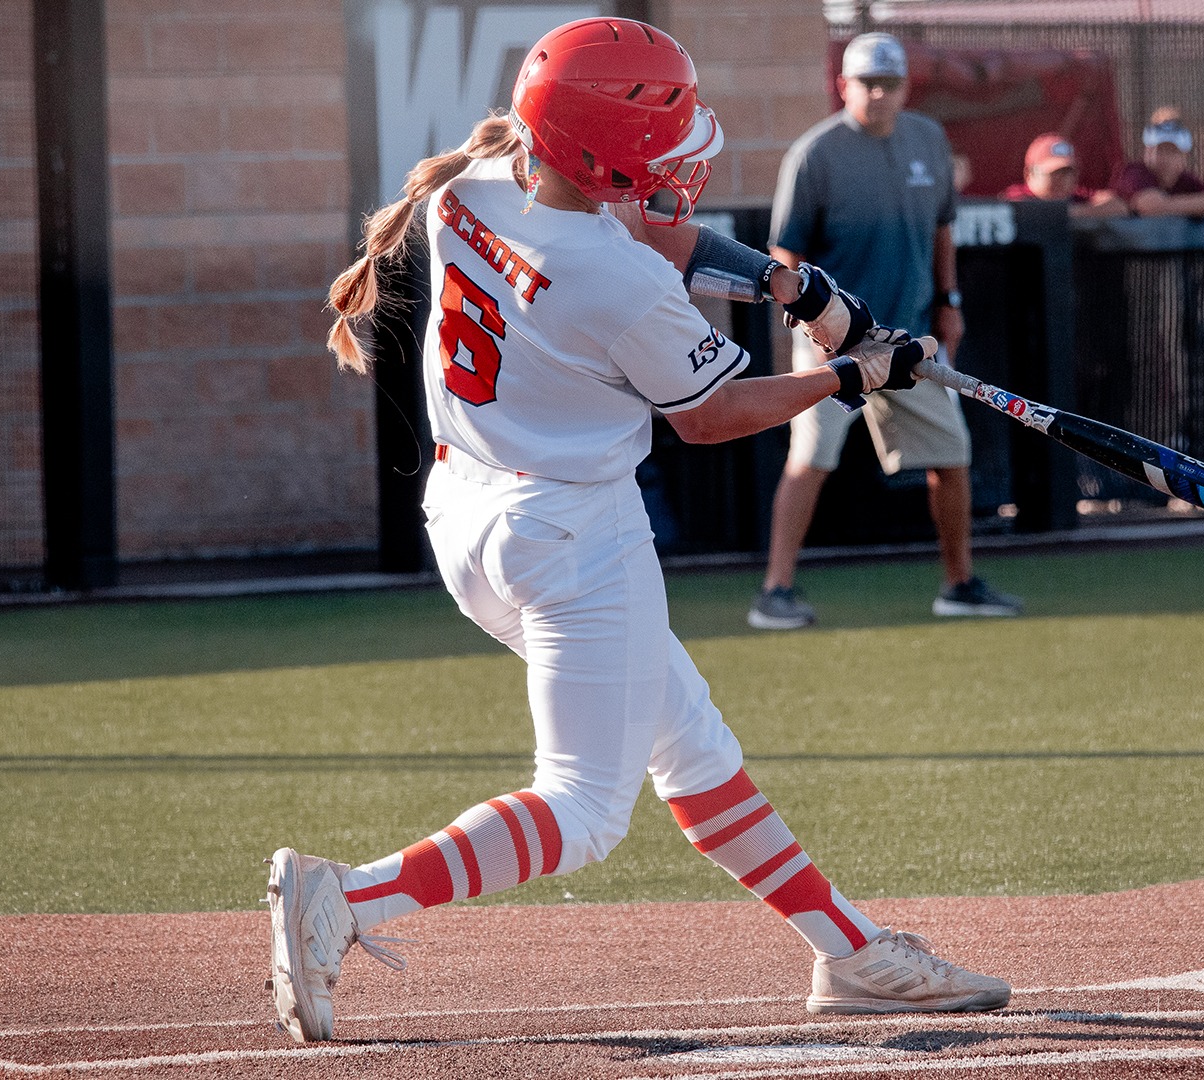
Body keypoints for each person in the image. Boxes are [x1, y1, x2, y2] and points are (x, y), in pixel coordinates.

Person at [264, 17, 1009, 1045]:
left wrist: (791, 286)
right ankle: (343, 899)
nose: (677, 155)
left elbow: (644, 227)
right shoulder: (617, 283)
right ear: (604, 151)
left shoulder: (471, 190)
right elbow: (714, 413)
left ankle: (852, 952)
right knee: (582, 812)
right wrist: (852, 374)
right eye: (653, 139)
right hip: (574, 536)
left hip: (473, 515)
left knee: (692, 742)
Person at [748, 31, 1023, 631]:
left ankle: (959, 585)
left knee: (952, 458)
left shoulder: (927, 138)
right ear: (843, 86)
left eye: (891, 83)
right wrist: (816, 321)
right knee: (810, 458)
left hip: (909, 340)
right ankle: (775, 591)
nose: (880, 94)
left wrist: (950, 299)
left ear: (905, 88)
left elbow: (943, 229)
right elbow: (784, 254)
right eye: (868, 83)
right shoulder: (815, 154)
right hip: (833, 339)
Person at [1109, 108, 1204, 218]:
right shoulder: (1135, 172)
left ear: (1184, 158)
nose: (1162, 158)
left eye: (1171, 151)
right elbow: (1153, 207)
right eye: (1157, 150)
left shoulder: (1186, 181)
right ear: (1146, 152)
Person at [1002, 132, 1127, 218]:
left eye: (1067, 172)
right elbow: (1028, 213)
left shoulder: (1076, 197)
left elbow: (1118, 206)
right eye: (1053, 173)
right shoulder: (1017, 196)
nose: (1061, 180)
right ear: (1029, 174)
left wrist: (1074, 212)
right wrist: (1068, 213)